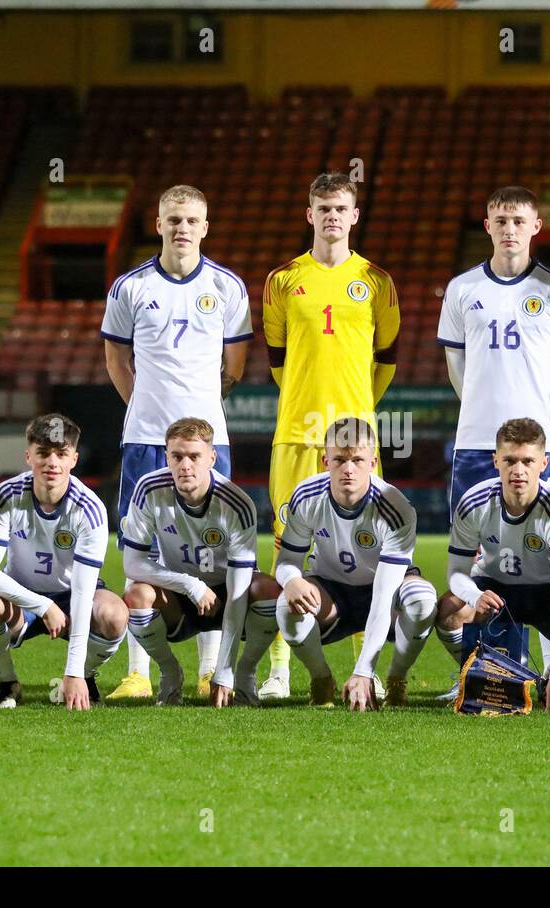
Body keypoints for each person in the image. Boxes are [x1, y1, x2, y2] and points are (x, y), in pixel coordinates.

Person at [434, 185, 550, 697]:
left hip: (542, 446)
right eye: (500, 220)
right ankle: (482, 674)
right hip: (476, 442)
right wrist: (485, 410)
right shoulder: (460, 289)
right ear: (487, 224)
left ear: (536, 226)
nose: (509, 229)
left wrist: (538, 417)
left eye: (519, 220)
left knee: (545, 558)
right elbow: (457, 367)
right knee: (477, 562)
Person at [101, 184, 252, 700]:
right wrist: (145, 409)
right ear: (159, 224)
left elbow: (234, 364)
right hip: (145, 438)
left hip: (212, 441)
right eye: (173, 220)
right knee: (141, 546)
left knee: (214, 549)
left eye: (191, 220)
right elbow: (116, 361)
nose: (182, 228)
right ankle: (139, 674)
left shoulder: (229, 287)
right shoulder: (129, 287)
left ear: (205, 227)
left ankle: (213, 669)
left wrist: (204, 413)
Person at [260, 172, 401, 700]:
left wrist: (356, 414)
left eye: (341, 208)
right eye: (324, 208)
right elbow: (278, 360)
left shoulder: (377, 281)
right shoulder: (281, 280)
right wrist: (307, 399)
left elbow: (386, 359)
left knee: (370, 548)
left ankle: (366, 665)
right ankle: (280, 666)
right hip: (296, 434)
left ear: (355, 215)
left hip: (358, 443)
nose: (333, 216)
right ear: (310, 214)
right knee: (286, 547)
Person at [435, 419, 550, 712]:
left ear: (543, 463)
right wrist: (475, 596)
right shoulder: (473, 502)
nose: (518, 470)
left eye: (528, 461)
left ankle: (549, 678)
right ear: (495, 460)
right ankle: (474, 675)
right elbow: (456, 575)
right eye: (510, 460)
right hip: (495, 591)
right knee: (448, 609)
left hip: (546, 592)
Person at [275, 418, 435, 711]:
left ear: (373, 462)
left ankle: (396, 678)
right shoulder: (307, 495)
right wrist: (291, 580)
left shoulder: (395, 508)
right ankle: (321, 678)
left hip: (385, 592)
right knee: (287, 604)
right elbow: (286, 561)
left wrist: (364, 671)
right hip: (332, 592)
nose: (348, 469)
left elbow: (384, 594)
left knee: (422, 600)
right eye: (340, 460)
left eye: (357, 460)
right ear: (326, 461)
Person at [0, 414, 127, 710]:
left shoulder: (89, 508)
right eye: (42, 453)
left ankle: (86, 676)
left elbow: (82, 592)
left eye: (61, 454)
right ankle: (7, 683)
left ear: (74, 459)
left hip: (71, 596)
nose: (51, 462)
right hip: (21, 596)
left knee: (115, 615)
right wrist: (42, 605)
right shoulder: (7, 495)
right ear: (28, 456)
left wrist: (73, 671)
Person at [120, 418, 280, 706]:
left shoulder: (236, 503)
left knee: (269, 591)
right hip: (180, 597)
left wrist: (226, 671)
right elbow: (133, 564)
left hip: (231, 594)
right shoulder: (149, 488)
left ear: (211, 458)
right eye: (177, 456)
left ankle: (246, 674)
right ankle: (169, 672)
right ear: (167, 455)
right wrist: (189, 585)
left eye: (194, 456)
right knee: (136, 595)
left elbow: (240, 587)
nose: (185, 465)